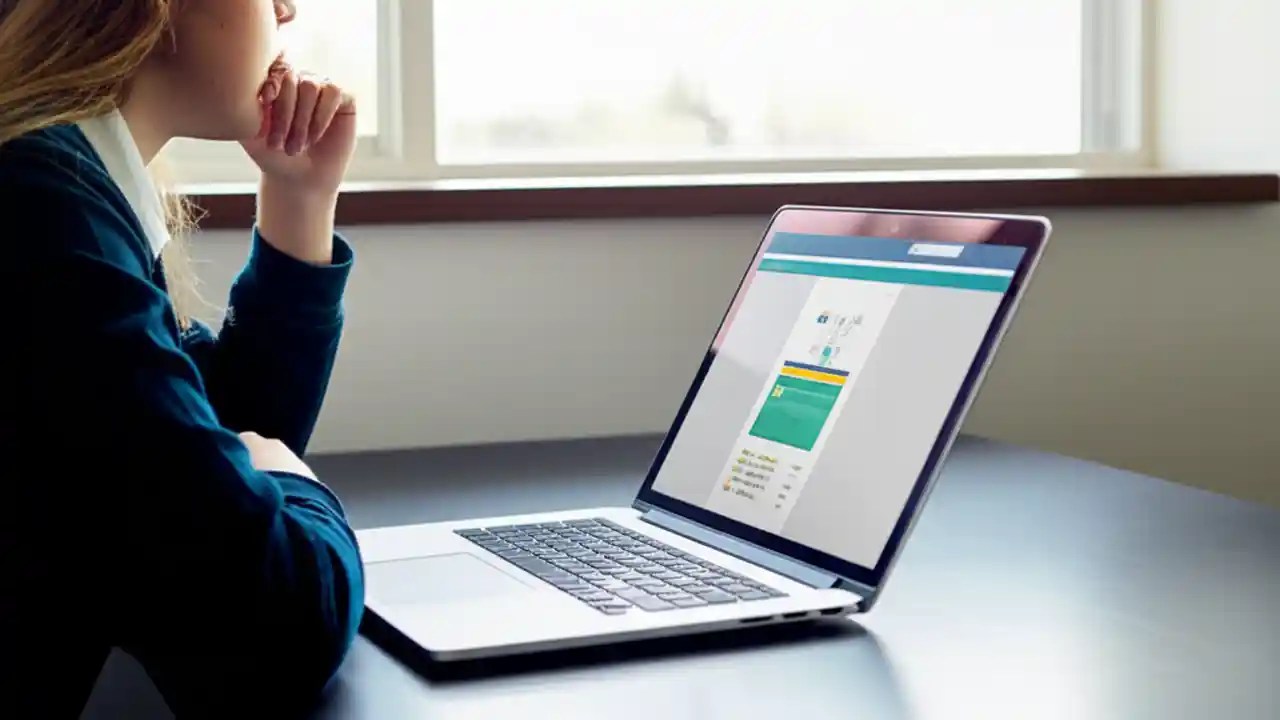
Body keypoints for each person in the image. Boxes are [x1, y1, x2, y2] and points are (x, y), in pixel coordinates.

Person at [0, 1, 366, 716]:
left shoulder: (59, 182)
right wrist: (301, 488)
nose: (287, 10)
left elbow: (212, 449)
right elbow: (277, 622)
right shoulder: (45, 217)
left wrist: (299, 198)